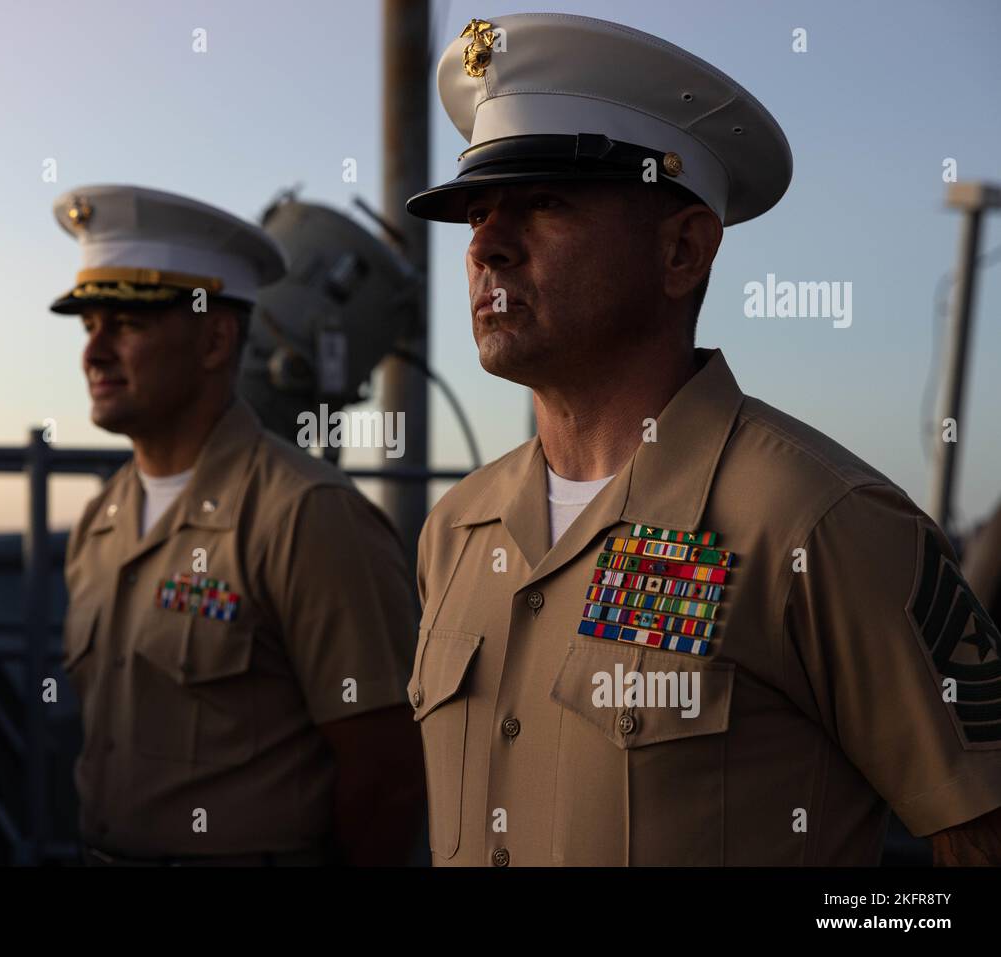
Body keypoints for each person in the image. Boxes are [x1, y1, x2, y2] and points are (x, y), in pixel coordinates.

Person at [405, 13, 1001, 866]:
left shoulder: (819, 521)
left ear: (683, 249)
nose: (488, 247)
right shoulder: (454, 532)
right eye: (475, 215)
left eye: (544, 203)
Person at [53, 184, 424, 865]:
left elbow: (388, 777)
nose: (95, 352)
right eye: (89, 325)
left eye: (127, 324)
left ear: (216, 338)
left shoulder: (307, 516)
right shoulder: (98, 523)